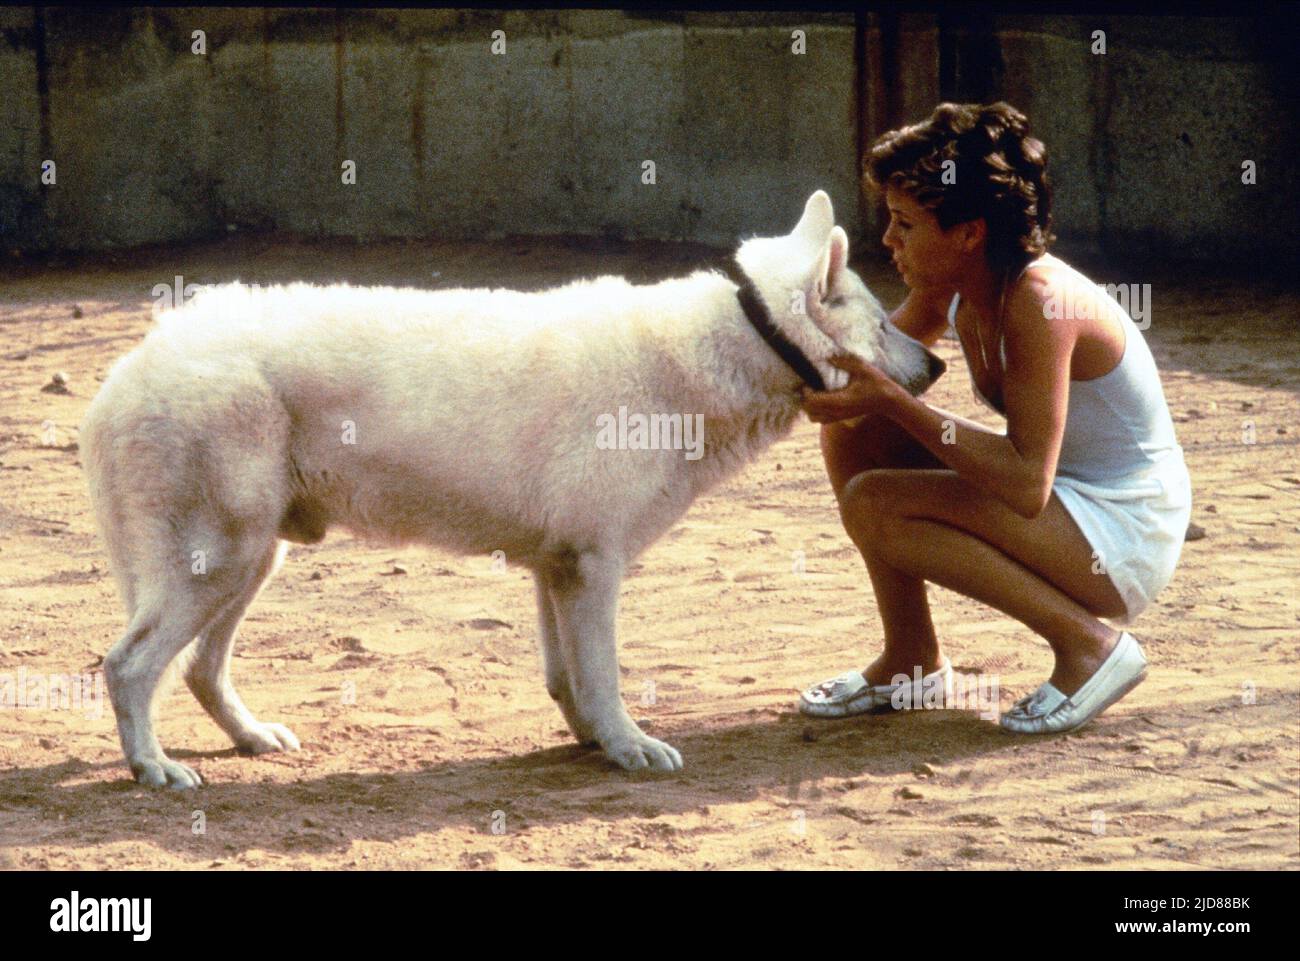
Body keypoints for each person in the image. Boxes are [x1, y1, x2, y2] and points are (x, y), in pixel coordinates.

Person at [797, 102, 1192, 733]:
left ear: (969, 232)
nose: (888, 241)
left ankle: (1090, 647)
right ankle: (911, 660)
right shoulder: (951, 282)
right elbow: (861, 368)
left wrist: (891, 398)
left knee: (876, 501)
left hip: (1123, 531)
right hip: (1062, 500)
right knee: (853, 428)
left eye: (904, 224)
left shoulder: (1041, 302)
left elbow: (1025, 484)